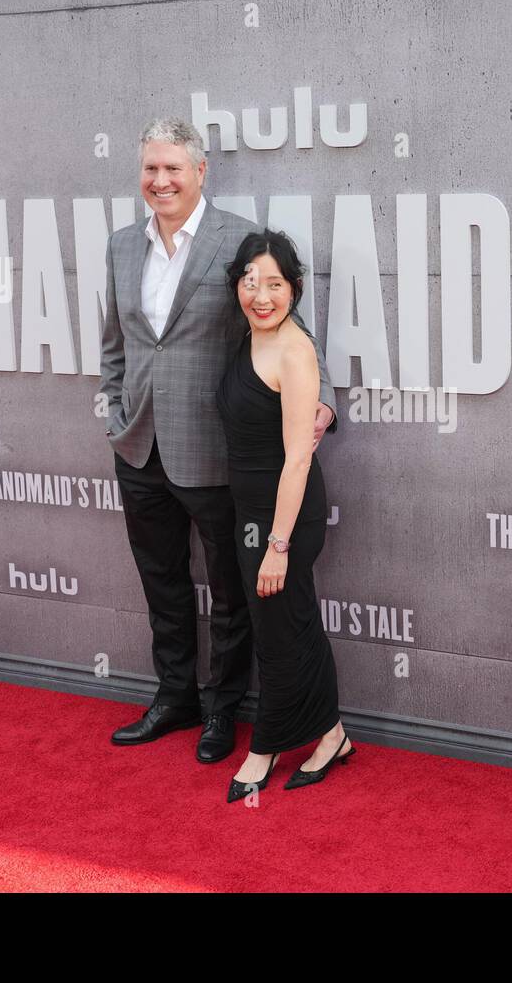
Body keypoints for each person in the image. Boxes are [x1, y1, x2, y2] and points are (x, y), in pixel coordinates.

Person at [99, 117, 337, 764]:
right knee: (162, 582)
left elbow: (293, 327)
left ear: (201, 171)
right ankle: (174, 696)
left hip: (214, 452)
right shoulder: (122, 246)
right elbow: (115, 346)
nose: (161, 180)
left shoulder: (237, 240)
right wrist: (113, 413)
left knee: (231, 593)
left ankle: (221, 711)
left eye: (174, 167)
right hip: (138, 446)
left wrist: (324, 401)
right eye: (151, 168)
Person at [215, 230, 355, 802]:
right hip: (250, 510)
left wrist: (278, 544)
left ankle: (265, 747)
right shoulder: (246, 337)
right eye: (250, 282)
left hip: (284, 517)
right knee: (292, 622)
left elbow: (298, 458)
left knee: (276, 631)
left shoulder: (296, 351)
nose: (261, 294)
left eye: (274, 283)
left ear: (294, 289)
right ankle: (333, 736)